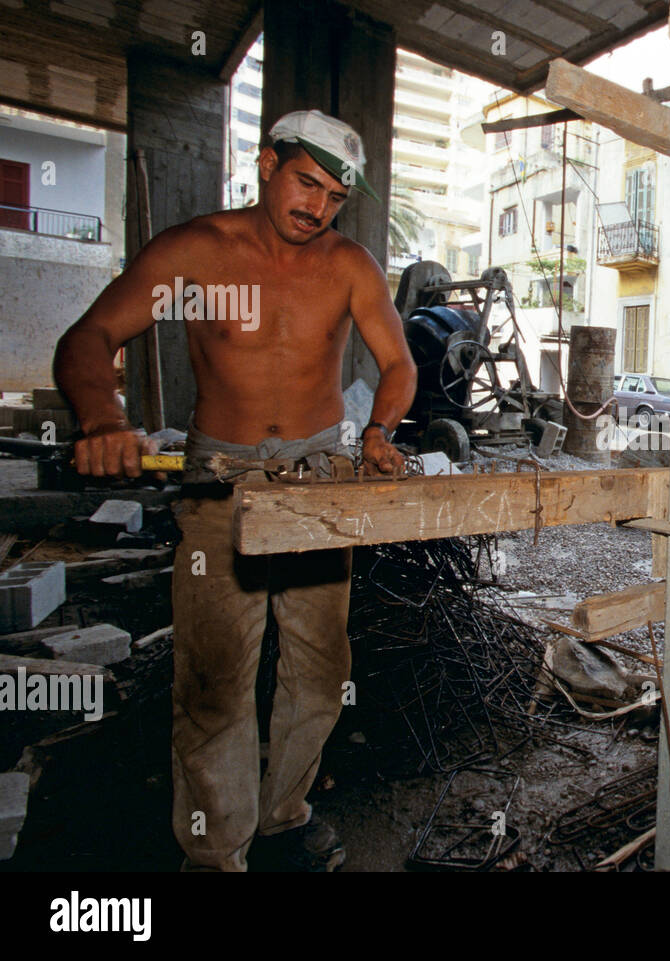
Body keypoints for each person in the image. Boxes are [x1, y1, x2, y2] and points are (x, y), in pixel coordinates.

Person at [53, 109, 417, 870]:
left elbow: (399, 364)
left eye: (334, 197)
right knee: (215, 677)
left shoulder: (350, 264)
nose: (316, 207)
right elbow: (88, 338)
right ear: (265, 163)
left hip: (318, 479)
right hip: (221, 481)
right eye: (305, 182)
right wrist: (100, 419)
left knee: (321, 669)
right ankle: (217, 849)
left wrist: (379, 430)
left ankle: (284, 816)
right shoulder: (197, 250)